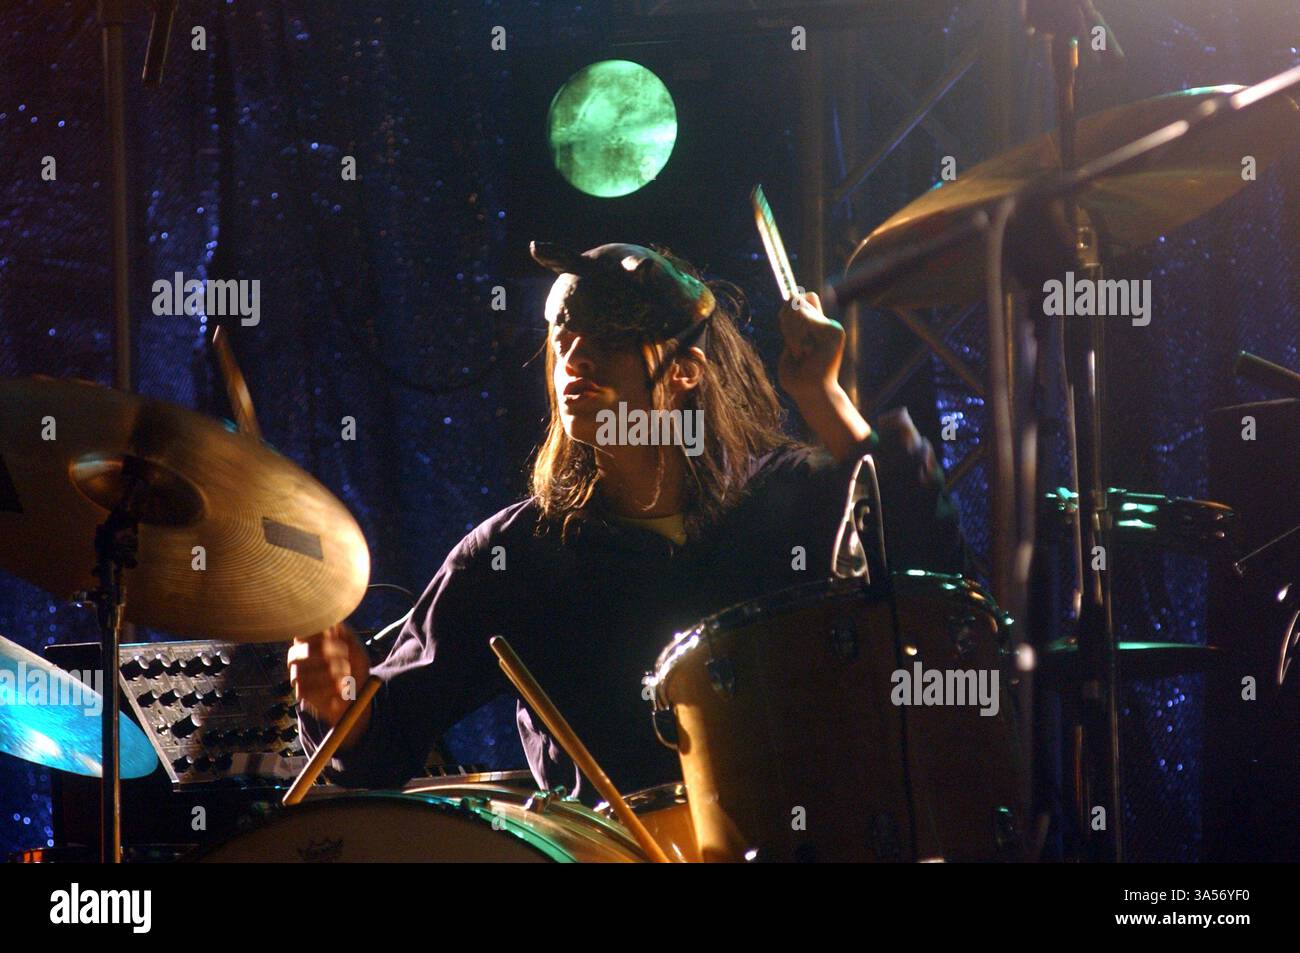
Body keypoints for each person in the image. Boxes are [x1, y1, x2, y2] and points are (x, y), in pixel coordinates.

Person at [290, 241, 968, 800]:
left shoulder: (793, 499)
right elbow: (377, 752)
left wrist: (822, 397)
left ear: (685, 373)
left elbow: (936, 580)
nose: (575, 358)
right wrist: (340, 704)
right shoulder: (514, 555)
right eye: (564, 335)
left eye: (608, 338)